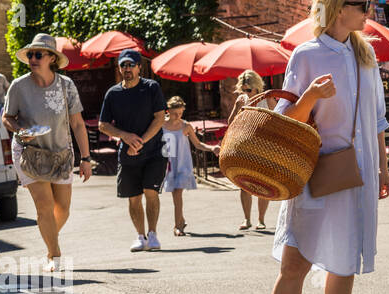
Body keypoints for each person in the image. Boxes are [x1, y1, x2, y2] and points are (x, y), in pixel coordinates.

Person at [240, 0, 389, 294]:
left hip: (355, 170)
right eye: (361, 4)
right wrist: (311, 97)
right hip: (315, 169)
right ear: (339, 8)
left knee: (345, 260)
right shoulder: (306, 55)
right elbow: (286, 120)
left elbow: (377, 118)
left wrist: (384, 166)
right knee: (295, 262)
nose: (368, 11)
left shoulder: (366, 55)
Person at [0, 34, 92, 271]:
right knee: (44, 206)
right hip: (29, 152)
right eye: (30, 54)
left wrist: (86, 158)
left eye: (38, 54)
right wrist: (20, 131)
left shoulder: (66, 85)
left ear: (51, 58)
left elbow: (78, 124)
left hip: (60, 153)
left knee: (62, 209)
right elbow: (7, 118)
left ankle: (48, 234)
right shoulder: (19, 86)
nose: (33, 58)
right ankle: (55, 255)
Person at [98, 49, 168, 252]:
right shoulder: (113, 94)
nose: (127, 69)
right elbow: (103, 125)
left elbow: (159, 118)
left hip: (154, 150)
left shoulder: (151, 87)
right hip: (127, 153)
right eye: (123, 65)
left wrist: (140, 142)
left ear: (139, 67)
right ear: (119, 68)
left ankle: (153, 234)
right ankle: (140, 236)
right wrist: (125, 137)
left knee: (150, 191)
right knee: (134, 196)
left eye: (131, 65)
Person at [162, 96, 220, 237]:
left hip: (183, 163)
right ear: (168, 111)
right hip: (168, 163)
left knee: (177, 193)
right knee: (174, 194)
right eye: (175, 113)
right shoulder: (160, 125)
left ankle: (178, 226)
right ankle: (181, 220)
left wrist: (212, 148)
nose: (178, 116)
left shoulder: (185, 126)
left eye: (181, 113)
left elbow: (198, 144)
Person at [230, 70, 273, 231]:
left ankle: (261, 219)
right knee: (244, 184)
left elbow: (278, 119)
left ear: (256, 87)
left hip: (264, 147)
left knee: (263, 183)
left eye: (249, 90)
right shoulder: (241, 100)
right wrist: (238, 108)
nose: (246, 93)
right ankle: (246, 218)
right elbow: (231, 122)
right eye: (244, 90)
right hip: (245, 146)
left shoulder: (267, 98)